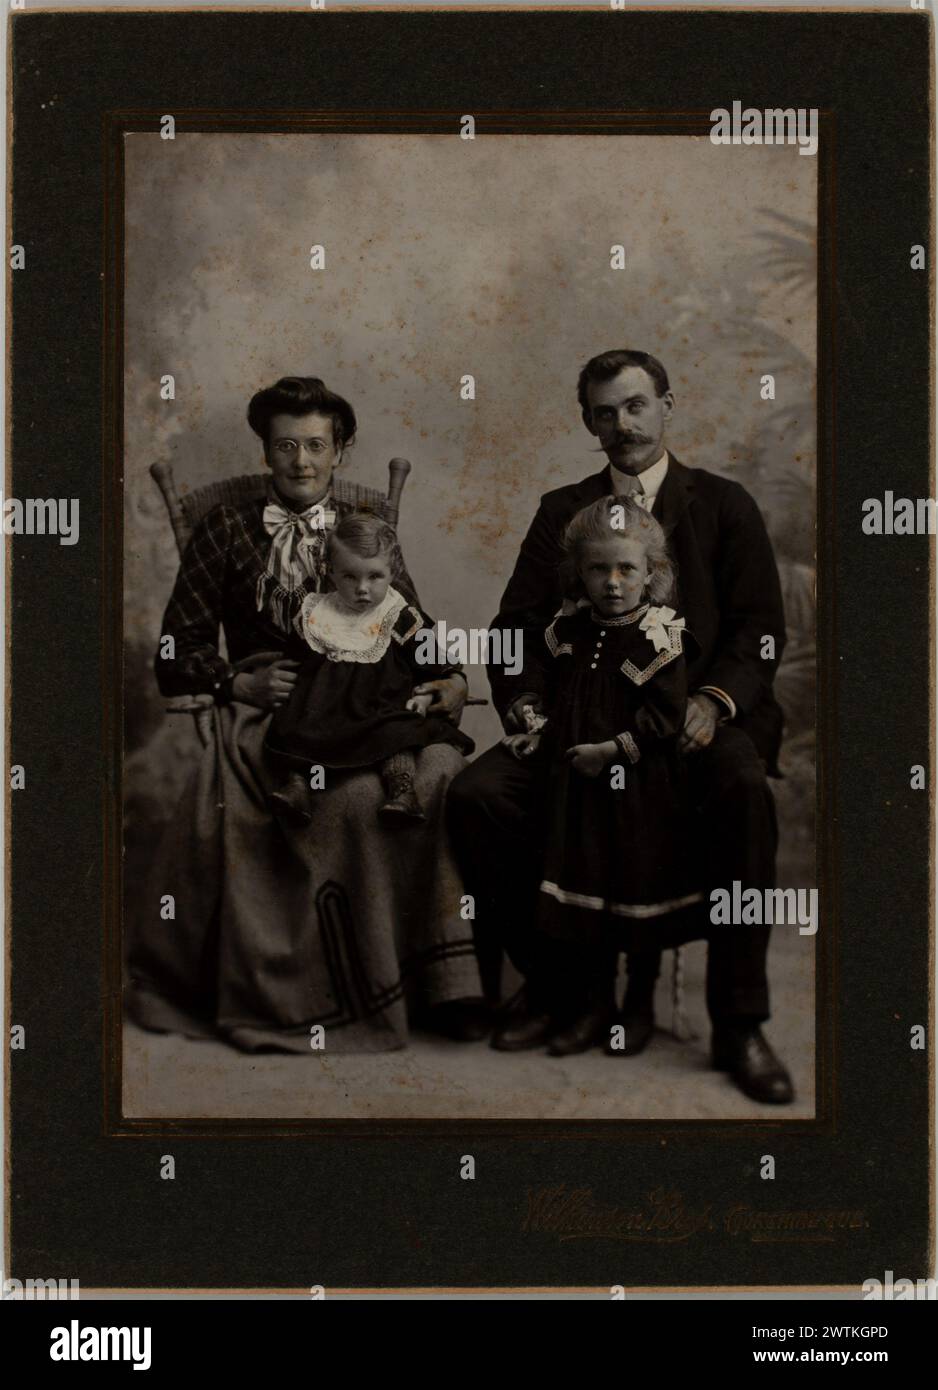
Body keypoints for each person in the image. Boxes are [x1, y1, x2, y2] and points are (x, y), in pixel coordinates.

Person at [448, 349, 795, 1103]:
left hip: (691, 715)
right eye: (604, 412)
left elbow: (759, 632)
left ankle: (739, 1020)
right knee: (479, 796)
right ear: (587, 423)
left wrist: (713, 702)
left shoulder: (723, 504)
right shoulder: (559, 511)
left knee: (741, 789)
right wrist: (528, 710)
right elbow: (516, 628)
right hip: (578, 714)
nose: (623, 424)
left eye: (636, 405)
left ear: (668, 404)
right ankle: (559, 983)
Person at [126, 375, 486, 1052]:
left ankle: (441, 983)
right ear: (265, 452)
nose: (301, 462)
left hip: (375, 706)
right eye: (285, 446)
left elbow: (410, 625)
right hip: (283, 712)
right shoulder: (225, 528)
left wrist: (454, 681)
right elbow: (179, 649)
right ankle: (335, 991)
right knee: (349, 800)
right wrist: (235, 680)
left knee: (439, 769)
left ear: (340, 452)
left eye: (316, 446)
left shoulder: (366, 533)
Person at [502, 495, 702, 1057]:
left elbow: (665, 716)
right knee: (586, 893)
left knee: (636, 890)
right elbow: (536, 675)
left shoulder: (660, 635)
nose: (612, 582)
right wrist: (533, 720)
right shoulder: (569, 628)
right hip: (578, 791)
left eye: (626, 569)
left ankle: (637, 1005)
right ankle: (592, 1006)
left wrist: (612, 751)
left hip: (638, 788)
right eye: (598, 569)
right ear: (577, 572)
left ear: (651, 573)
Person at [265, 511, 473, 824]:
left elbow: (436, 663)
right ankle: (298, 788)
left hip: (379, 709)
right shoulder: (313, 612)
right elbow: (294, 660)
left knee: (396, 733)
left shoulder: (398, 615)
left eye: (375, 576)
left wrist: (431, 694)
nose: (363, 588)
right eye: (350, 576)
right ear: (330, 571)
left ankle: (401, 791)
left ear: (393, 572)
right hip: (324, 711)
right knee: (294, 729)